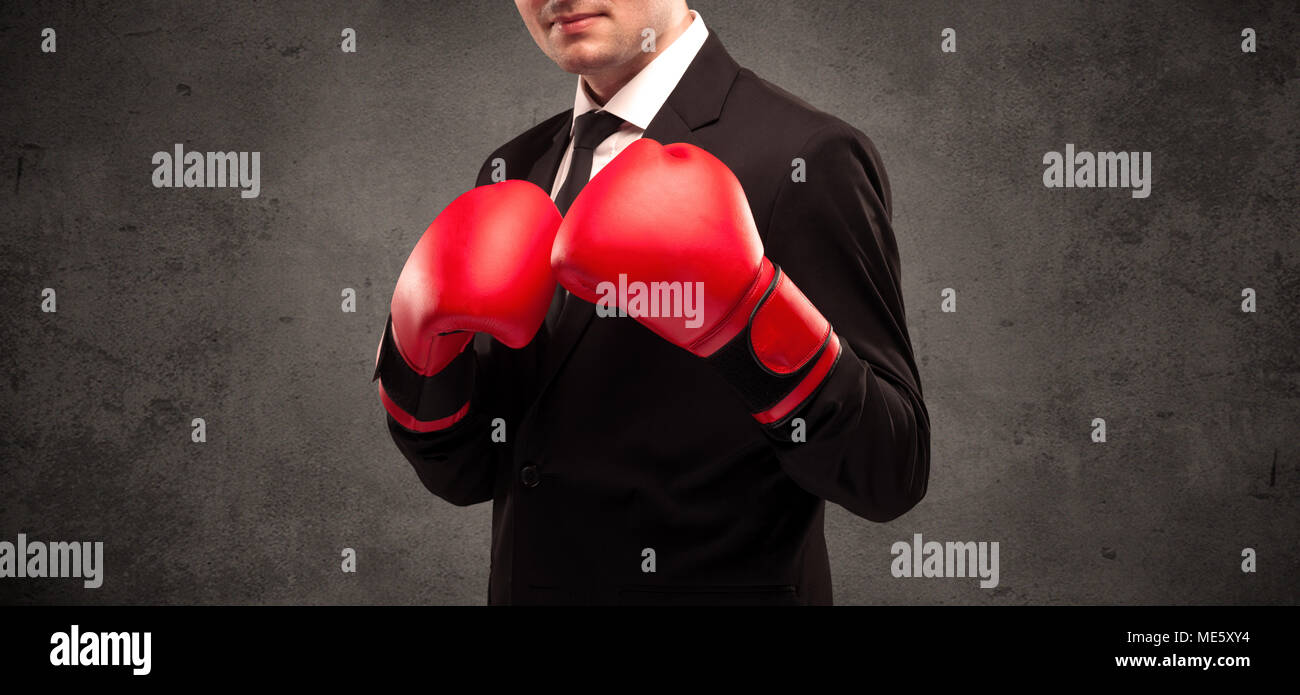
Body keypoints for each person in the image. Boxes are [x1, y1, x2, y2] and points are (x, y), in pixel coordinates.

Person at [373, 0, 930, 605]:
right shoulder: (516, 167)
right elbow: (468, 473)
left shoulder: (805, 155)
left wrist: (752, 318)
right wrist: (418, 353)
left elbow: (890, 471)